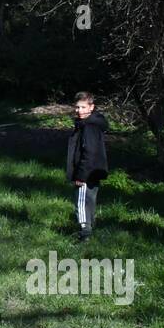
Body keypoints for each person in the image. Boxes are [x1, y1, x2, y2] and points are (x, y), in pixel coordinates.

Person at [66, 91, 109, 241]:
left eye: (83, 107)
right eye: (77, 108)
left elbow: (89, 153)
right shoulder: (88, 124)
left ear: (92, 107)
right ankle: (90, 229)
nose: (79, 111)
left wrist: (81, 176)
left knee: (82, 202)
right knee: (89, 201)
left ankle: (85, 234)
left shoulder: (89, 126)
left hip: (86, 173)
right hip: (92, 172)